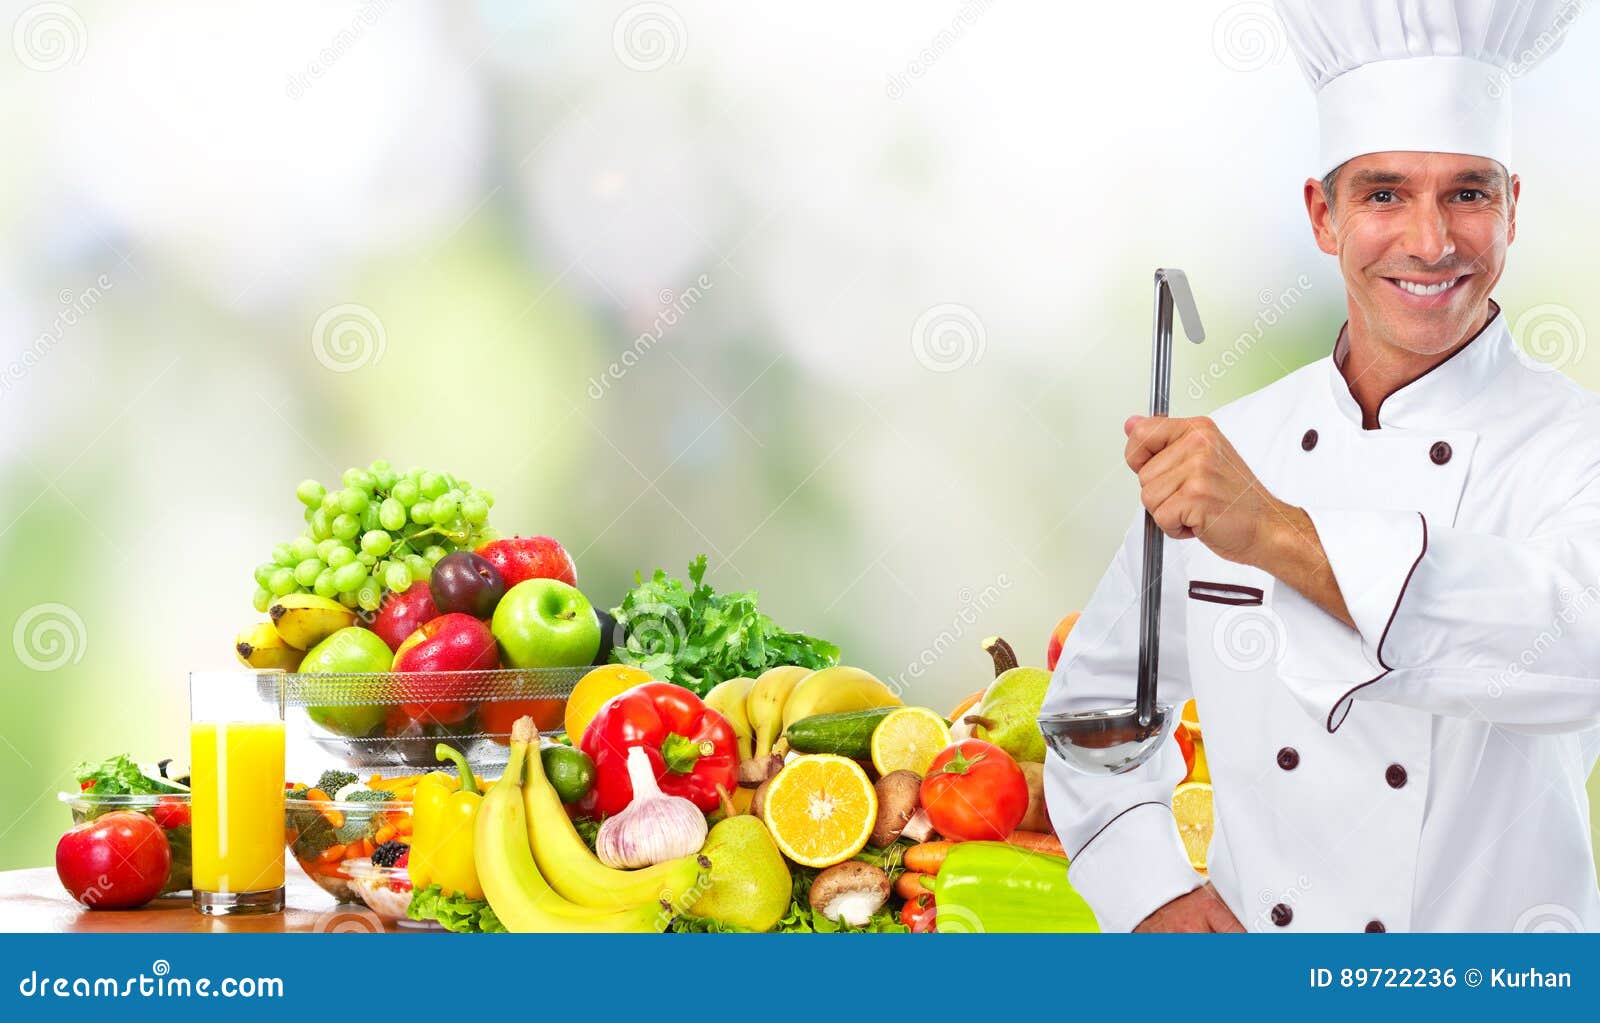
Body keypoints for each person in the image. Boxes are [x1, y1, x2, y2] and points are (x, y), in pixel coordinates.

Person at [1041, 0, 1598, 932]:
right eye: (1384, 194)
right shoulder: (1236, 447)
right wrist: (1150, 890)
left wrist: (1272, 533)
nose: (1431, 242)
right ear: (1322, 215)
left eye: (1467, 192)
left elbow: (1577, 653)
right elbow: (1098, 708)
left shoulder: (1575, 442)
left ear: (1512, 207)